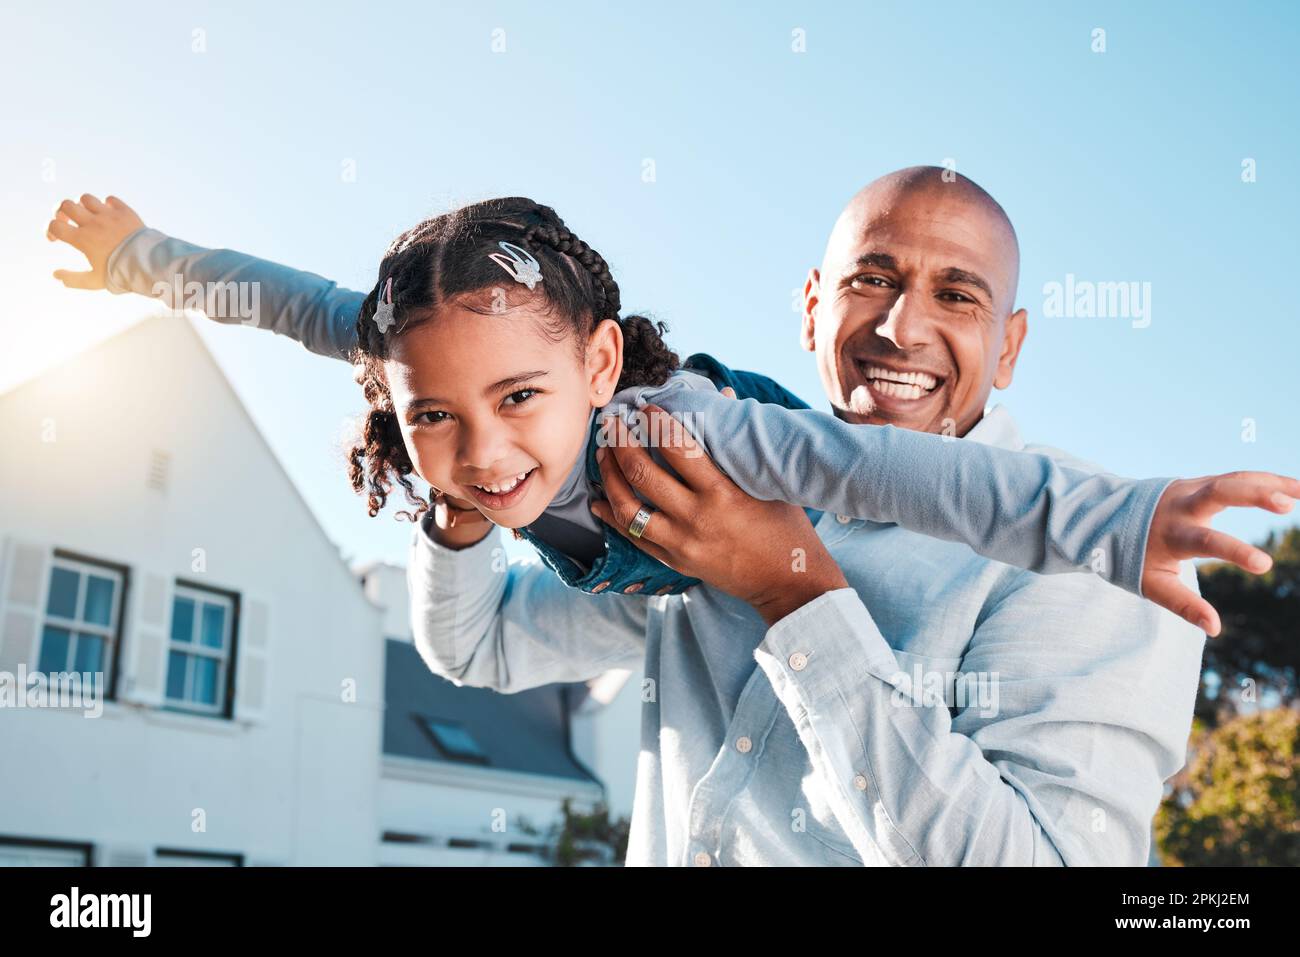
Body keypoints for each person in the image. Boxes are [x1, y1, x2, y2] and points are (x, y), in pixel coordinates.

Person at [46, 170, 1298, 864]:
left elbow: (937, 491)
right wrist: (462, 501)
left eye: (955, 297)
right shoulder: (483, 424)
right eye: (870, 278)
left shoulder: (709, 447)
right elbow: (472, 646)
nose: (902, 327)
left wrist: (1112, 522)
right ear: (812, 305)